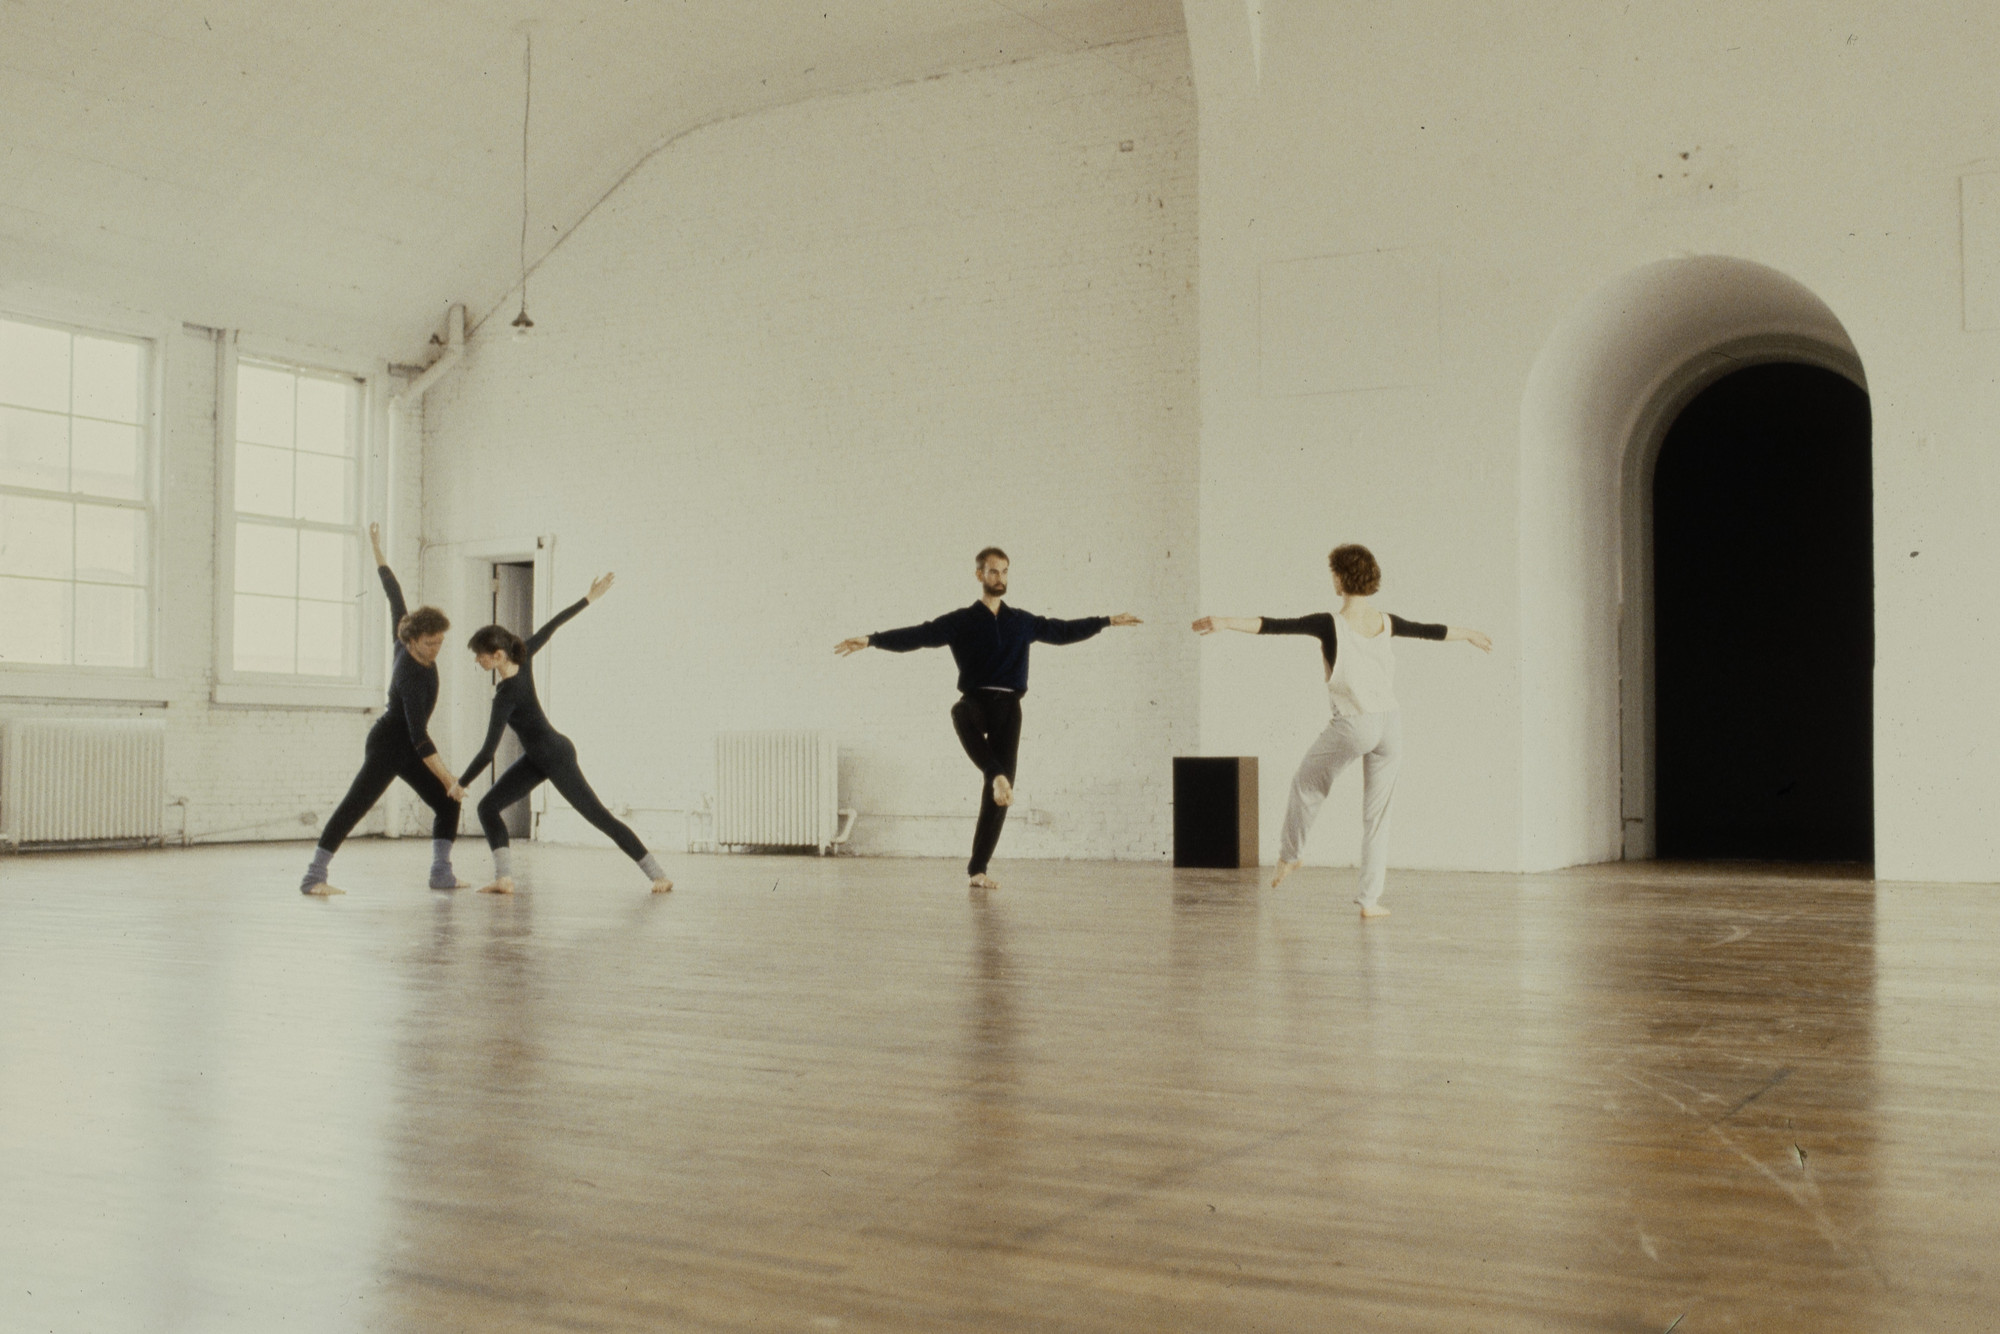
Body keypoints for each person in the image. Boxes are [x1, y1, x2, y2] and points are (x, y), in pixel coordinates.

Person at [1192, 543, 1490, 918]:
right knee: (1378, 817)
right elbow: (1432, 631)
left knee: (1306, 784)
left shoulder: (1328, 623)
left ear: (1339, 578)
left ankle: (1291, 856)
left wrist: (1224, 622)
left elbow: (1272, 625)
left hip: (1355, 723)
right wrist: (1471, 634)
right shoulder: (1387, 621)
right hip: (1391, 725)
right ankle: (1369, 901)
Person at [836, 547, 1139, 889]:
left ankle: (978, 870)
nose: (1000, 578)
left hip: (1009, 708)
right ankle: (995, 773)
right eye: (994, 572)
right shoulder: (961, 621)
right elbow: (918, 636)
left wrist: (1107, 621)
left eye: (1005, 571)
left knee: (999, 794)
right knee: (959, 712)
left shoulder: (1021, 621)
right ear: (979, 575)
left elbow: (1062, 630)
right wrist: (872, 640)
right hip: (976, 701)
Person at [457, 572, 673, 895]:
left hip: (556, 756)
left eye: (480, 655)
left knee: (599, 817)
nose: (477, 660)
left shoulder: (506, 695)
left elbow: (489, 751)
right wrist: (588, 598)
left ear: (498, 655)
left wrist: (460, 783)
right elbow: (553, 625)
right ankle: (504, 878)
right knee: (487, 808)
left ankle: (659, 875)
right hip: (537, 757)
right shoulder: (522, 656)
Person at [300, 523, 465, 896]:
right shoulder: (408, 671)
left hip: (407, 745)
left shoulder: (403, 633)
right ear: (411, 640)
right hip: (390, 744)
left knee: (447, 805)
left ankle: (441, 873)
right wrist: (447, 776)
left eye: (440, 642)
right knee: (355, 807)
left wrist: (376, 548)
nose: (435, 649)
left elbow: (394, 593)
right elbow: (419, 736)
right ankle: (313, 877)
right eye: (429, 643)